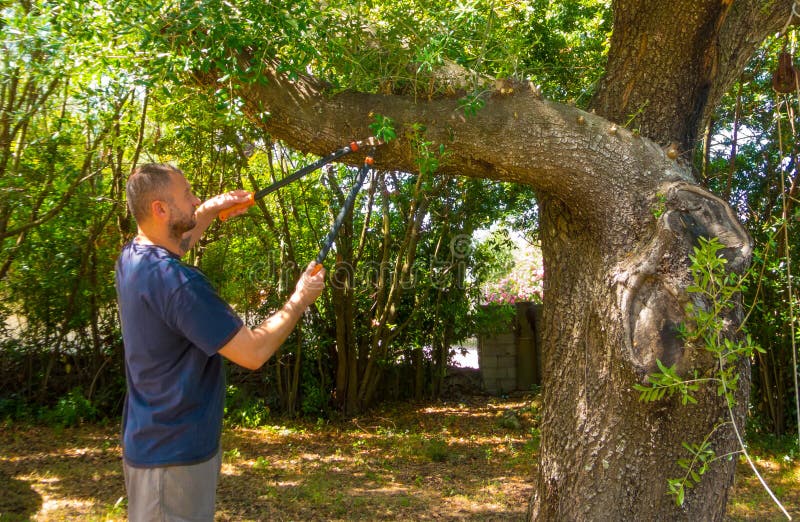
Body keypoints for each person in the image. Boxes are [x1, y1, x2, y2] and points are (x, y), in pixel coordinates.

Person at [115, 163, 325, 521]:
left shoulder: (134, 258)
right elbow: (253, 351)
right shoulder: (179, 284)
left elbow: (179, 241)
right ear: (160, 209)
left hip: (158, 445)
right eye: (187, 196)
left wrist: (211, 210)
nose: (195, 200)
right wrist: (299, 299)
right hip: (172, 461)